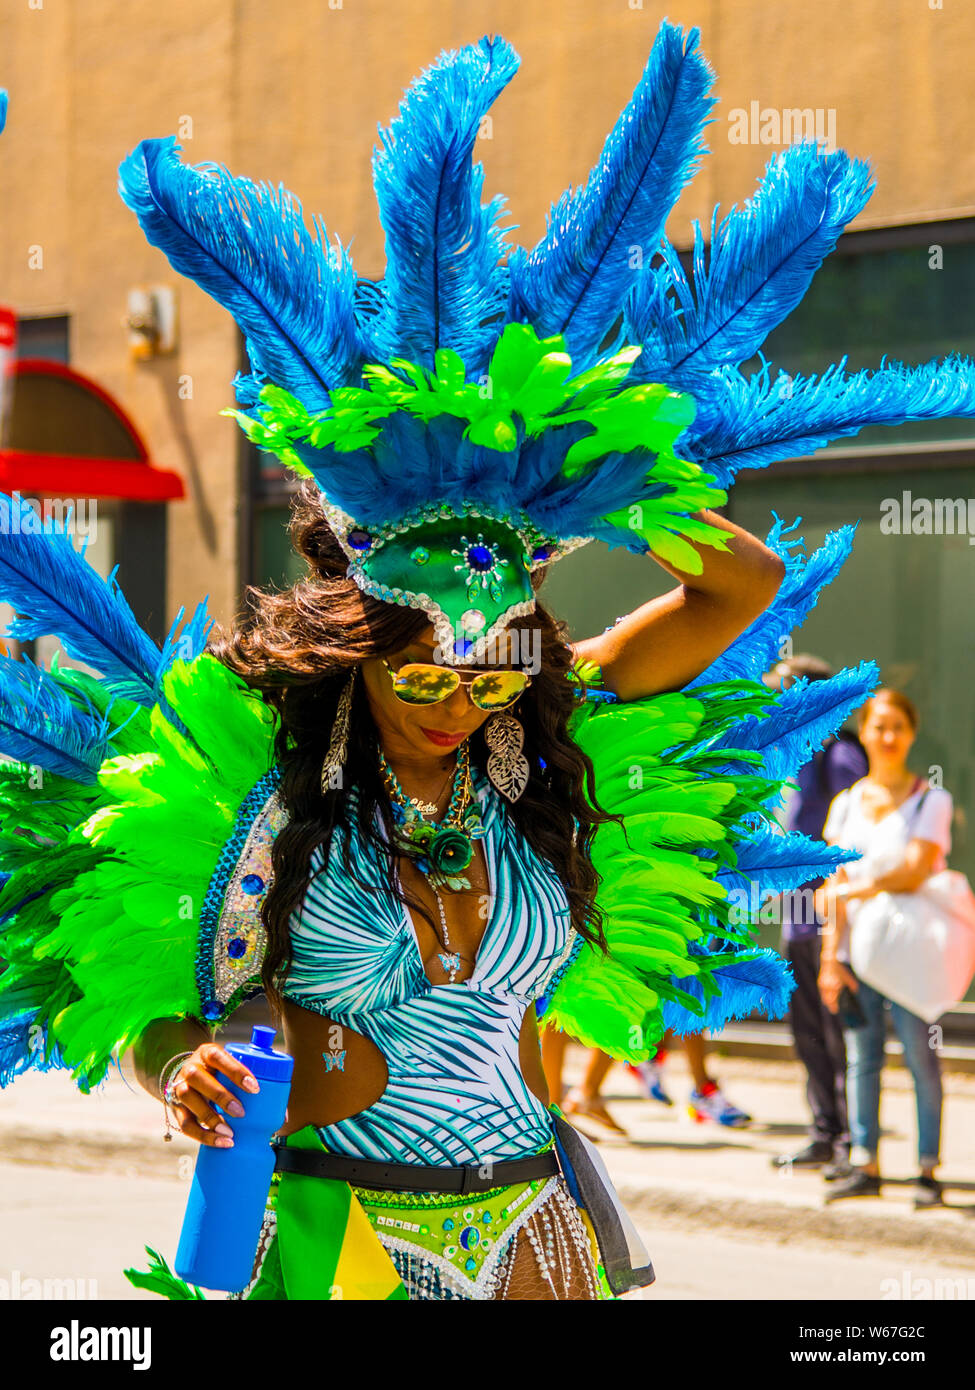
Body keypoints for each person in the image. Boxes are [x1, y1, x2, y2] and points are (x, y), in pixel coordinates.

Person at [2, 24, 973, 1304]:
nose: (459, 702)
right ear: (357, 660)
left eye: (494, 674)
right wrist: (178, 1070)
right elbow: (146, 991)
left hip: (538, 1233)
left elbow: (735, 589)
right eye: (422, 679)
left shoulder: (535, 773)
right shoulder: (259, 799)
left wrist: (602, 478)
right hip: (337, 1237)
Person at [816, 690, 952, 1208]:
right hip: (859, 956)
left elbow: (917, 868)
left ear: (911, 732)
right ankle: (866, 1163)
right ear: (865, 732)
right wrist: (831, 958)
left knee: (923, 1061)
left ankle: (927, 1172)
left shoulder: (931, 799)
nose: (888, 737)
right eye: (879, 726)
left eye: (898, 726)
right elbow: (832, 887)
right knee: (862, 1061)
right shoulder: (845, 803)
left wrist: (853, 885)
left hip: (915, 958)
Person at [766, 655, 868, 1179]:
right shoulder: (791, 755)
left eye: (782, 692)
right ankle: (824, 1135)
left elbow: (859, 834)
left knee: (837, 1035)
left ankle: (854, 1144)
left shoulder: (842, 753)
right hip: (796, 919)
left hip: (832, 923)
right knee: (806, 1031)